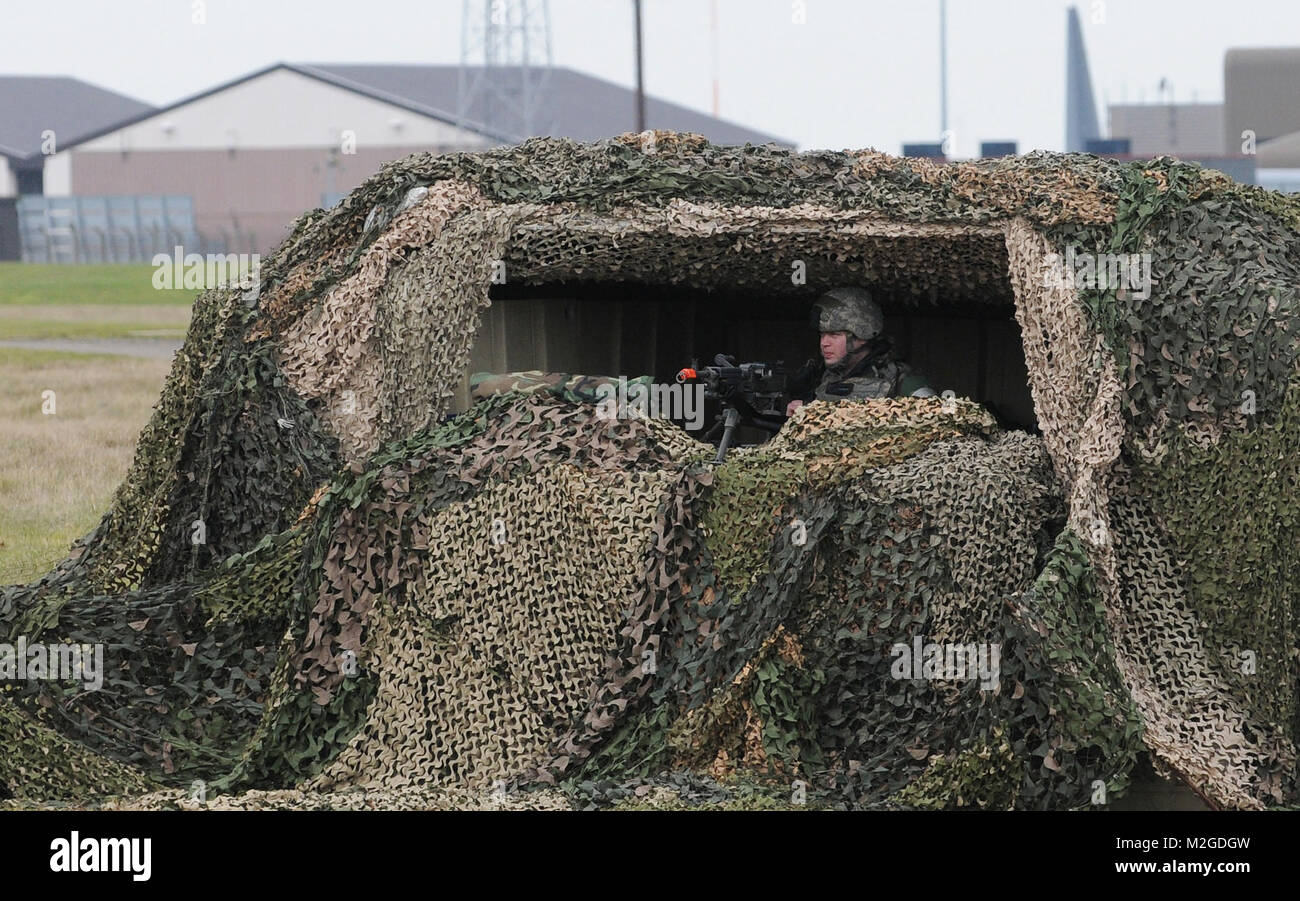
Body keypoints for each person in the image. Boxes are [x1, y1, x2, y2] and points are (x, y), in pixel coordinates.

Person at [786, 286, 934, 416]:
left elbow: (935, 425)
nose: (824, 343)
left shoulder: (901, 381)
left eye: (834, 335)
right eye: (822, 335)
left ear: (862, 335)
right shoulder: (819, 378)